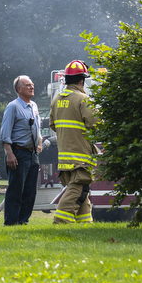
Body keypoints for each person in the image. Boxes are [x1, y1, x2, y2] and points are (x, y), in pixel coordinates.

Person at [49, 60, 98, 224]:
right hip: (80, 157)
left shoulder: (57, 100)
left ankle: (85, 224)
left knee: (82, 191)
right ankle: (60, 222)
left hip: (64, 158)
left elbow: (53, 125)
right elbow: (97, 123)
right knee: (77, 189)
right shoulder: (83, 99)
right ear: (81, 80)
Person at [0, 75, 43, 225]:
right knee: (16, 190)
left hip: (32, 154)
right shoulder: (13, 107)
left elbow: (37, 128)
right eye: (27, 85)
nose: (32, 87)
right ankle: (11, 223)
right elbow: (5, 133)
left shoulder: (34, 106)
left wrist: (39, 142)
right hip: (18, 153)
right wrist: (9, 153)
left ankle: (23, 221)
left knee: (30, 191)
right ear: (19, 89)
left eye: (32, 84)